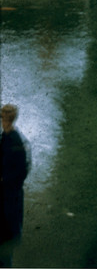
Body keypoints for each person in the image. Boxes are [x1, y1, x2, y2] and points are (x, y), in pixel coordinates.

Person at [0, 104, 30, 269]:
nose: (4, 122)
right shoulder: (7, 138)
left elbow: (20, 172)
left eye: (5, 119)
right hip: (8, 196)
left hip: (9, 197)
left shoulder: (13, 141)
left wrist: (3, 180)